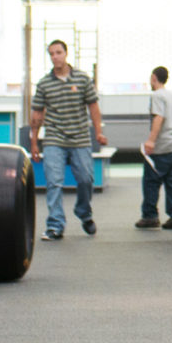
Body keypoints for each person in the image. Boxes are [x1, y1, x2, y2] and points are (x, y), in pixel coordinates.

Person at [26, 37, 103, 239]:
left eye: (58, 52)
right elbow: (36, 114)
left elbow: (93, 107)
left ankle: (84, 213)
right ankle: (55, 225)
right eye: (51, 54)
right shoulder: (44, 84)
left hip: (80, 138)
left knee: (86, 179)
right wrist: (34, 142)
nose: (55, 57)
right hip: (54, 138)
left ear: (66, 54)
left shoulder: (82, 79)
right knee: (54, 182)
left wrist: (99, 132)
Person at [138, 64, 172, 230]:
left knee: (151, 181)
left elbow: (159, 118)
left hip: (162, 146)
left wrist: (151, 141)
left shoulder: (157, 95)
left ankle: (150, 216)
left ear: (153, 78)